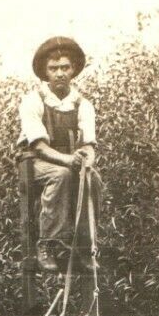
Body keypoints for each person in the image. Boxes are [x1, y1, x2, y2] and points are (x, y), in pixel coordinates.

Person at [18, 36, 99, 272]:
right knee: (61, 175)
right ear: (45, 72)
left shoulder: (82, 104)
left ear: (73, 70)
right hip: (34, 163)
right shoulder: (33, 100)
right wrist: (69, 160)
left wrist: (87, 162)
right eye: (54, 68)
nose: (60, 73)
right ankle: (47, 244)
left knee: (93, 179)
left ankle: (86, 246)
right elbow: (40, 146)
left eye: (65, 67)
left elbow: (89, 145)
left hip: (69, 162)